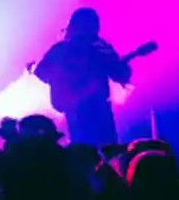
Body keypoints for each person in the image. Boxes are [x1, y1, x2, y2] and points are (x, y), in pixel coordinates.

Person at [33, 8, 132, 146]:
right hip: (97, 108)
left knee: (81, 151)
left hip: (74, 109)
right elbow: (120, 74)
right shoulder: (99, 47)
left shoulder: (60, 49)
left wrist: (61, 82)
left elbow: (41, 72)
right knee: (107, 151)